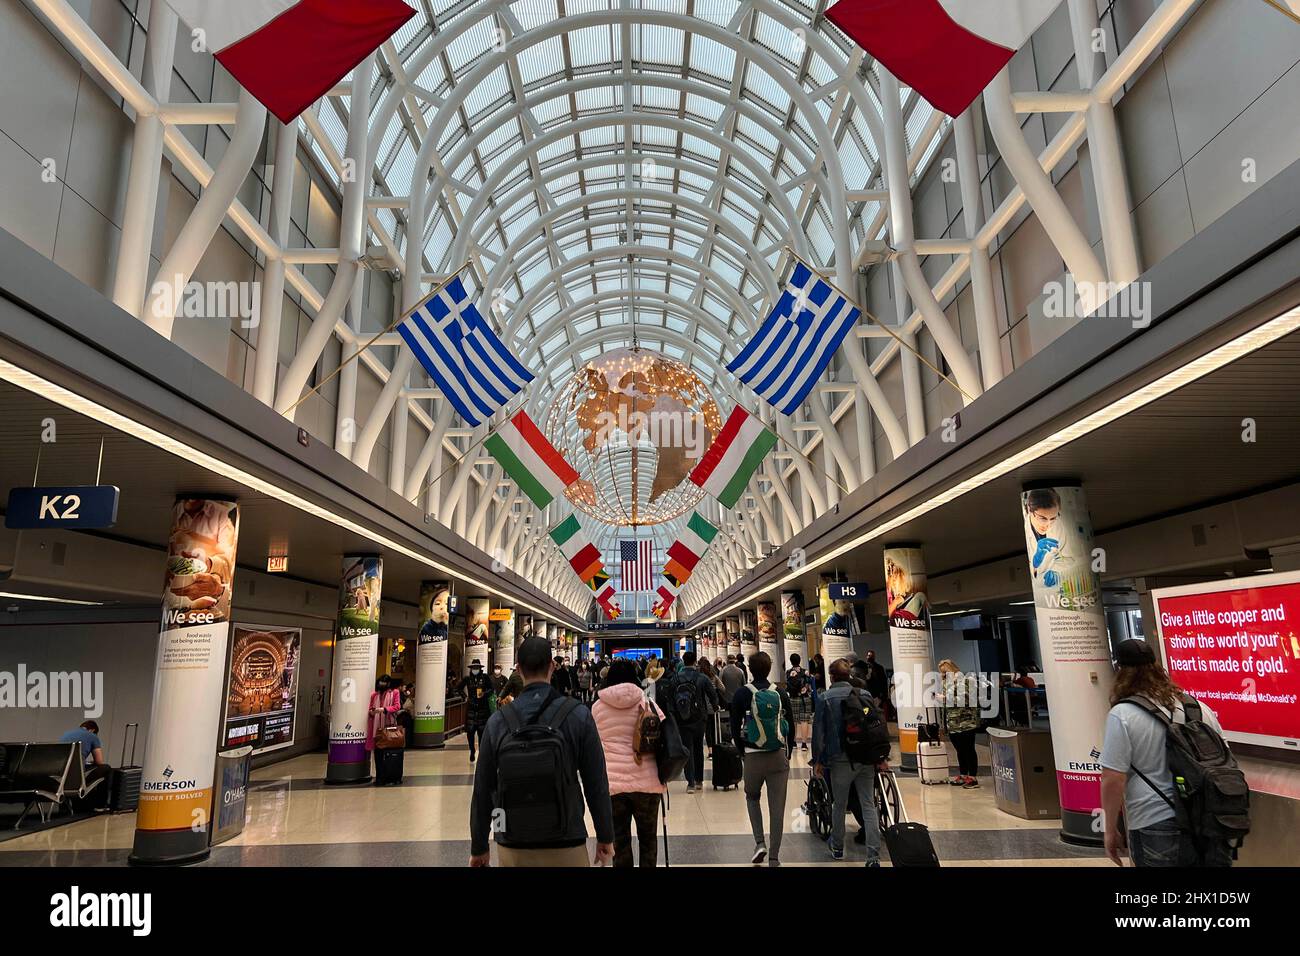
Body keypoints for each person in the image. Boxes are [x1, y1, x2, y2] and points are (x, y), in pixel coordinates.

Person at [469, 637, 614, 867]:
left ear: (518, 668)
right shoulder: (577, 715)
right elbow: (596, 782)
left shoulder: (498, 721)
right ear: (552, 666)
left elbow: (484, 788)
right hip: (567, 837)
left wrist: (479, 846)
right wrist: (605, 835)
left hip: (511, 839)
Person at [1100, 639, 1234, 868]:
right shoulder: (1199, 707)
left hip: (1155, 820)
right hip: (1208, 821)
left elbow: (1114, 778)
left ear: (1119, 672)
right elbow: (1226, 758)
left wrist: (1110, 830)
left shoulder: (1123, 714)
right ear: (1157, 667)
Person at [813, 658, 887, 866]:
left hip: (840, 759)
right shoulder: (864, 695)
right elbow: (876, 725)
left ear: (832, 677)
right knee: (868, 804)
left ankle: (837, 847)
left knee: (839, 804)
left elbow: (819, 731)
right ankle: (873, 856)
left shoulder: (825, 697)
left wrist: (818, 759)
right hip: (866, 756)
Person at [592, 660, 666, 867]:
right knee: (648, 839)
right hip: (647, 783)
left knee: (620, 841)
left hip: (613, 785)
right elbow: (663, 736)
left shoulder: (597, 707)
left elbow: (592, 745)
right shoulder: (648, 702)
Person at [731, 651, 794, 866]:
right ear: (769, 669)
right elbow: (791, 726)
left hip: (752, 756)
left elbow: (733, 727)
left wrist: (742, 752)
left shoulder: (742, 694)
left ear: (749, 668)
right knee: (777, 808)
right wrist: (788, 752)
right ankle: (775, 856)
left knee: (752, 798)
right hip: (777, 756)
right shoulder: (781, 693)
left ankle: (760, 843)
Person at [669, 651, 719, 793]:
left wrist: (673, 716)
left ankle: (690, 782)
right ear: (694, 661)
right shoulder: (702, 677)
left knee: (687, 750)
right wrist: (715, 707)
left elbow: (671, 699)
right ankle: (699, 781)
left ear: (683, 661)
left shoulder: (676, 678)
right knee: (698, 749)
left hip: (682, 720)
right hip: (699, 719)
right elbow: (712, 694)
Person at [938, 659, 981, 788]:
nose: (945, 674)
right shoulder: (946, 683)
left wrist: (945, 699)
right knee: (959, 750)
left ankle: (972, 777)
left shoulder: (965, 681)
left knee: (968, 749)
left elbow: (965, 699)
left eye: (946, 671)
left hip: (965, 721)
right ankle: (963, 774)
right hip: (952, 722)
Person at [59, 720, 110, 810]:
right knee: (106, 768)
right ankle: (100, 805)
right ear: (92, 730)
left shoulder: (66, 734)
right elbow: (99, 761)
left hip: (62, 774)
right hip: (77, 775)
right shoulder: (92, 736)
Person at [459, 661, 494, 762]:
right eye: (473, 667)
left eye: (477, 667)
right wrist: (465, 697)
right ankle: (472, 750)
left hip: (483, 708)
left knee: (481, 733)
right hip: (471, 708)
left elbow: (491, 689)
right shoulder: (467, 679)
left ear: (480, 668)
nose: (475, 669)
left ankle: (481, 753)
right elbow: (459, 688)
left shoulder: (485, 677)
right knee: (470, 732)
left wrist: (485, 694)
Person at [367, 675, 402, 775]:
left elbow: (397, 706)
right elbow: (370, 708)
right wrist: (372, 712)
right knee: (378, 753)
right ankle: (380, 776)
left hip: (389, 726)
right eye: (381, 682)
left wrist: (384, 709)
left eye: (384, 682)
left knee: (388, 752)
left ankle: (389, 775)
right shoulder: (374, 695)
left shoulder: (394, 692)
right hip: (376, 727)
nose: (382, 685)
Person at [786, 653, 813, 751]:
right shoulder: (805, 672)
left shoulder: (789, 672)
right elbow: (809, 684)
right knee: (804, 720)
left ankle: (793, 742)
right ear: (799, 660)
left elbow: (788, 685)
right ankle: (804, 744)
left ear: (791, 661)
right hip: (805, 698)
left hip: (793, 698)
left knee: (793, 721)